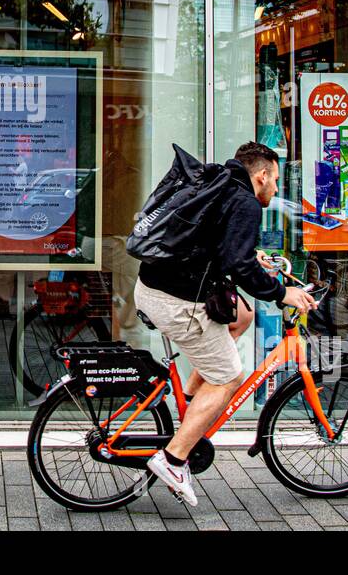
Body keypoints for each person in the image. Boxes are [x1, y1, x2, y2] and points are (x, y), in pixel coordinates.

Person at [135, 141, 316, 507]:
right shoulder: (246, 201)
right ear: (261, 175)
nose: (277, 189)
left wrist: (253, 255)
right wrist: (283, 294)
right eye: (276, 180)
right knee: (230, 378)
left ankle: (189, 403)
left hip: (155, 288)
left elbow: (220, 245)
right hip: (176, 301)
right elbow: (238, 265)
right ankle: (172, 460)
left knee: (242, 316)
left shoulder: (220, 180)